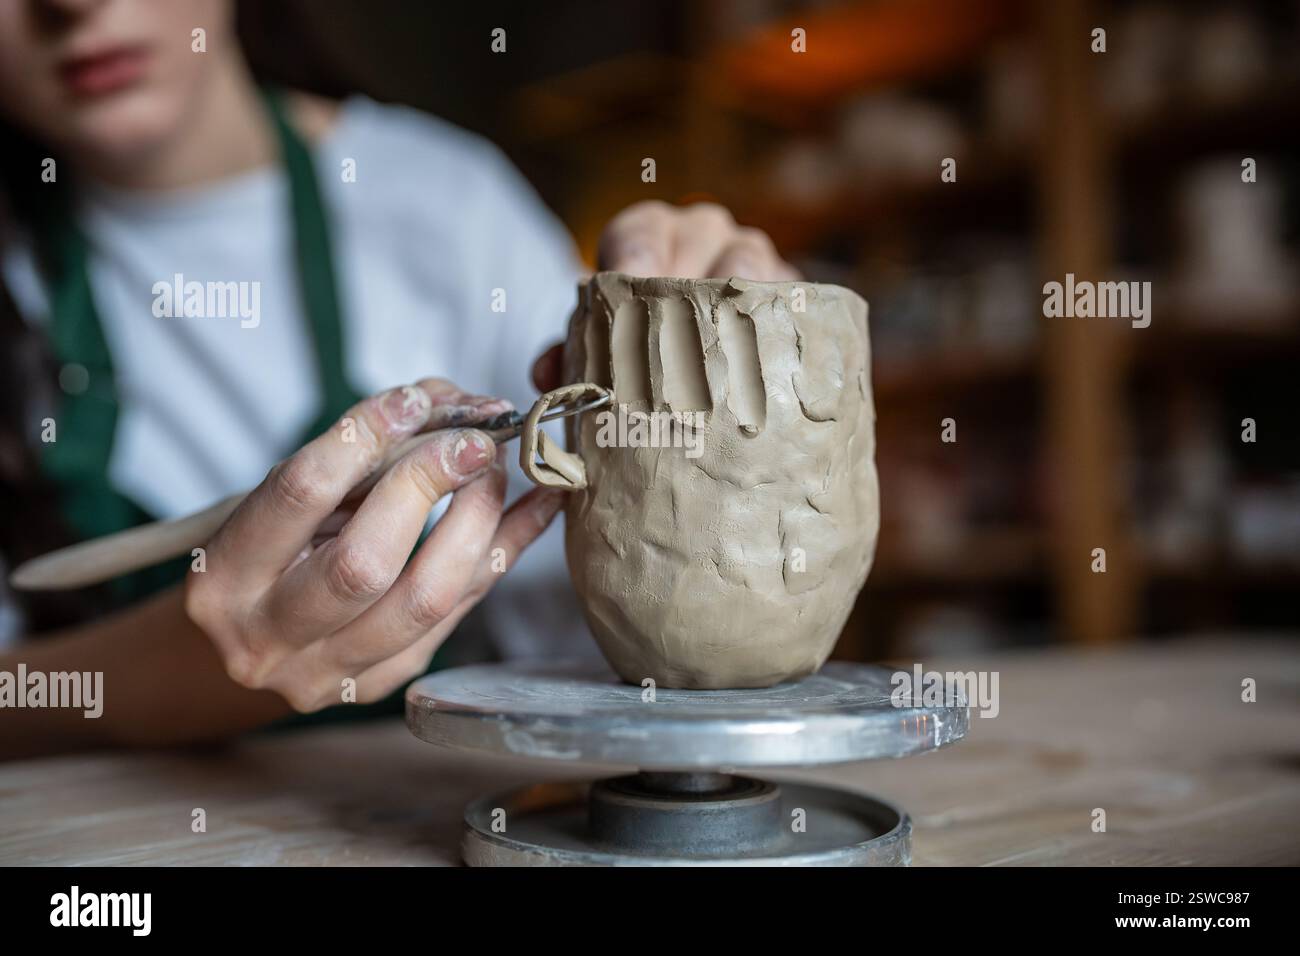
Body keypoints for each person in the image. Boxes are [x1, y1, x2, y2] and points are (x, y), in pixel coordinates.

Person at [0, 0, 797, 760]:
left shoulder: (450, 204)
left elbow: (632, 615)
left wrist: (759, 390)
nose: (74, 5)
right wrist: (185, 672)